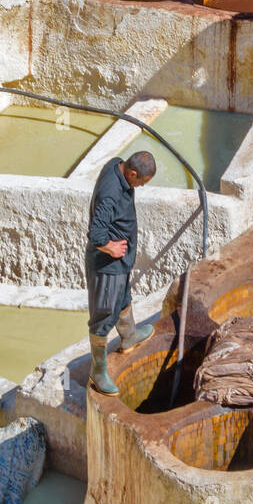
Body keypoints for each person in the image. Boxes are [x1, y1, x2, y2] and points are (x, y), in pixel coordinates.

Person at [86, 152, 157, 395]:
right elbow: (96, 234)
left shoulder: (116, 164)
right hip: (107, 266)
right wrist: (111, 246)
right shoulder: (110, 192)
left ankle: (128, 337)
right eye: (141, 181)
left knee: (123, 298)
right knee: (104, 315)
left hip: (120, 263)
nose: (141, 186)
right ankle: (97, 371)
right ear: (132, 173)